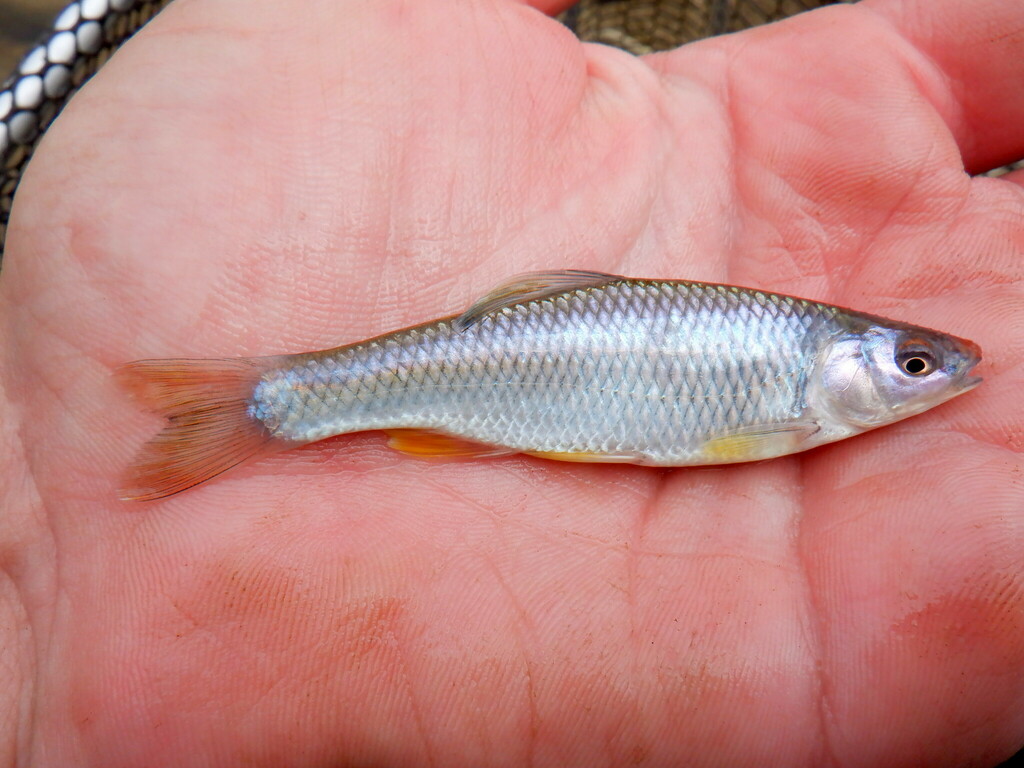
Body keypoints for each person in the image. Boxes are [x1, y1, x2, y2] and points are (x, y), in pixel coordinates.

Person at [0, 0, 1021, 765]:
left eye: (913, 366)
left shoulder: (795, 388)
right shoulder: (789, 394)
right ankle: (272, 404)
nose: (923, 381)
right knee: (289, 399)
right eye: (912, 366)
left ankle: (268, 404)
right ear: (837, 359)